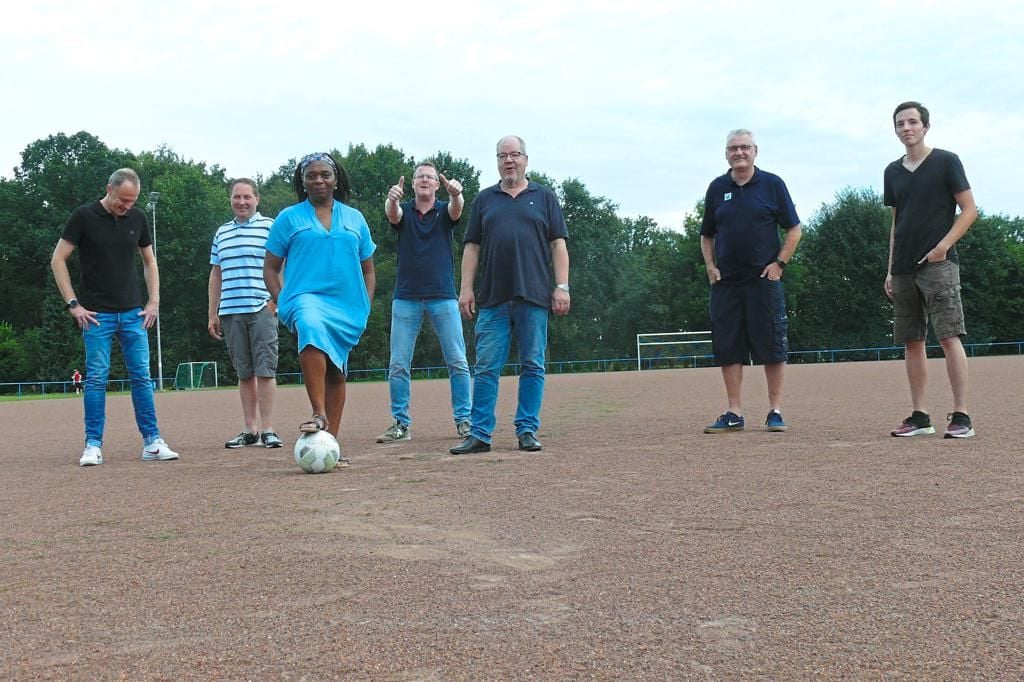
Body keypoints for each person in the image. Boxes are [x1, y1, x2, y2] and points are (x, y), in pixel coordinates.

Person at [50, 168, 180, 466]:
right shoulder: (83, 216)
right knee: (96, 379)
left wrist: (154, 301)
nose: (127, 206)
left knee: (142, 378)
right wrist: (73, 304)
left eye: (133, 201)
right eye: (123, 200)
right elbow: (57, 259)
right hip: (97, 315)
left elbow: (150, 262)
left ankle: (152, 442)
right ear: (108, 188)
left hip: (134, 313)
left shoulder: (137, 218)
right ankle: (92, 445)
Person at [450, 135, 570, 455]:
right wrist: (465, 288)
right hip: (492, 298)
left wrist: (562, 286)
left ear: (526, 159)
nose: (509, 161)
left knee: (533, 365)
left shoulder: (543, 197)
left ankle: (527, 430)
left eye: (515, 154)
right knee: (487, 367)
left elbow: (558, 244)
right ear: (497, 161)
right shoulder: (485, 200)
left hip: (534, 295)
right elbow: (471, 247)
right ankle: (479, 434)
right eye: (503, 156)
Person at [263, 152, 376, 460]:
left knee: (337, 371)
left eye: (325, 174)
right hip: (304, 297)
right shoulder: (289, 218)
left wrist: (364, 305)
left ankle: (330, 446)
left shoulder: (355, 219)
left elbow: (368, 268)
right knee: (310, 327)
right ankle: (318, 413)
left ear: (336, 179)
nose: (319, 180)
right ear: (303, 181)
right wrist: (284, 299)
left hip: (347, 305)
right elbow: (270, 268)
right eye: (311, 175)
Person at [884, 101, 978, 438]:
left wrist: (943, 246)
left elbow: (969, 210)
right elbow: (897, 222)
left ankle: (962, 416)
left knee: (949, 336)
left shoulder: (946, 162)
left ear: (925, 126)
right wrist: (890, 269)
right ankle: (921, 416)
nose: (906, 128)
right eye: (900, 124)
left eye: (912, 122)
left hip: (938, 265)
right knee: (912, 340)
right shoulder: (892, 172)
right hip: (903, 267)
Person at [699, 129, 802, 434]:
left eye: (745, 147)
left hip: (763, 281)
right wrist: (710, 267)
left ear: (755, 151)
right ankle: (734, 412)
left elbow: (794, 229)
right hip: (727, 283)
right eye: (733, 148)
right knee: (728, 346)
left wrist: (779, 263)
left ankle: (775, 410)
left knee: (772, 344)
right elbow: (707, 235)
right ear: (726, 154)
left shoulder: (772, 185)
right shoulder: (717, 189)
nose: (739, 152)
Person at [376, 162, 472, 443]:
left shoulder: (445, 210)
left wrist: (456, 194)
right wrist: (391, 199)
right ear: (414, 183)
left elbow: (458, 209)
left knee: (458, 361)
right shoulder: (403, 209)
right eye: (420, 177)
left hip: (443, 296)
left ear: (437, 184)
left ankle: (465, 421)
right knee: (398, 364)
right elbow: (392, 216)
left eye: (430, 177)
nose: (425, 181)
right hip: (406, 297)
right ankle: (400, 424)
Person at [208, 178, 283, 449]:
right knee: (244, 373)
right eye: (236, 197)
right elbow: (216, 274)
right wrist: (212, 312)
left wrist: (275, 302)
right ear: (230, 199)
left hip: (261, 308)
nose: (241, 202)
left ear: (256, 199)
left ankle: (268, 429)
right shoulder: (222, 233)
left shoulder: (270, 227)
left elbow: (282, 265)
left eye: (246, 197)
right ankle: (250, 430)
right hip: (230, 311)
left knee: (265, 370)